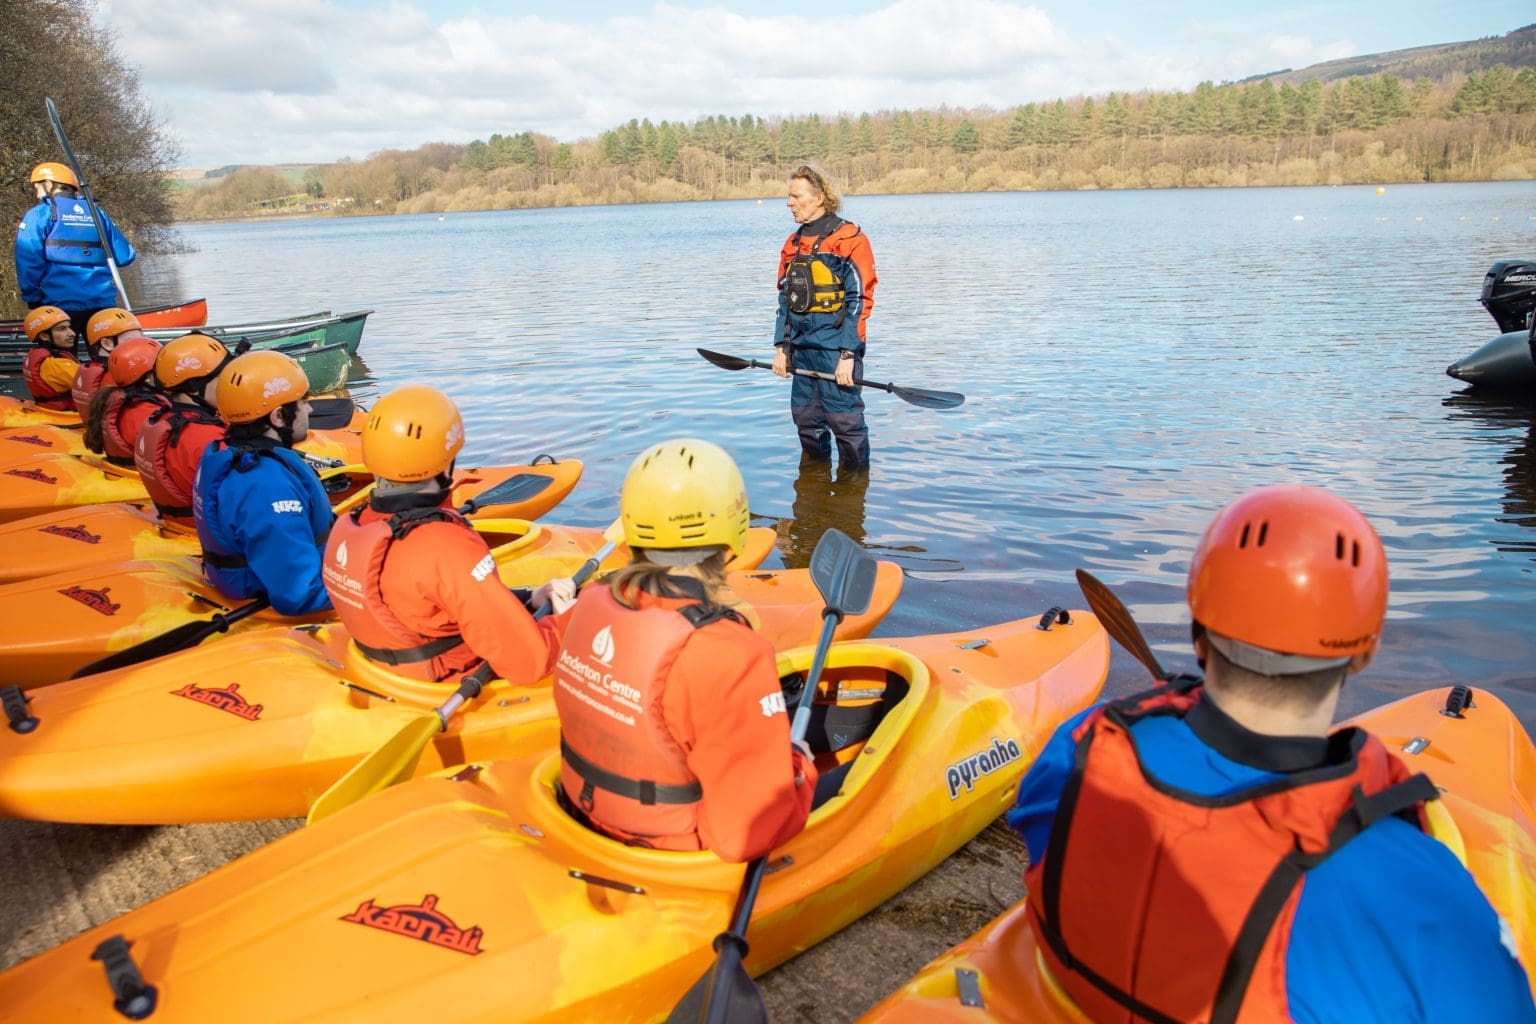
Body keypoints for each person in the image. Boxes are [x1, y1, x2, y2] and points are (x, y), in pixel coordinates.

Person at [1007, 484, 1536, 1022]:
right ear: (1364, 654)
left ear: (1197, 635)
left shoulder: (1080, 750)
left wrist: (1168, 712)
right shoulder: (1424, 896)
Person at [552, 438, 818, 861]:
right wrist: (800, 764)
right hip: (672, 849)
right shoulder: (730, 651)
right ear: (735, 527)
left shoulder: (589, 600)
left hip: (581, 810)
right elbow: (742, 836)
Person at [321, 384, 570, 683]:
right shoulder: (445, 546)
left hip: (388, 670)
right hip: (442, 679)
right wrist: (570, 620)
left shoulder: (352, 522)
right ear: (446, 461)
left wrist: (530, 597)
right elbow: (530, 662)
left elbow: (436, 606)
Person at [194, 351, 333, 616]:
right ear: (278, 417)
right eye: (303, 402)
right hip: (287, 600)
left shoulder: (225, 452)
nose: (310, 409)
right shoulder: (265, 486)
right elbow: (299, 594)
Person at [771, 163, 877, 470]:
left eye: (796, 196)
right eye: (788, 197)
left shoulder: (850, 239)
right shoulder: (792, 244)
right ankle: (812, 502)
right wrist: (781, 348)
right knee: (806, 421)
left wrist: (848, 354)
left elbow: (860, 301)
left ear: (819, 197)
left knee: (845, 423)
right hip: (802, 350)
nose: (789, 203)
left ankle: (852, 495)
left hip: (835, 350)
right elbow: (785, 300)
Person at [15, 162, 137, 336]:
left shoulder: (40, 214)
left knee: (62, 359)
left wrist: (32, 299)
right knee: (102, 359)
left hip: (59, 306)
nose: (36, 193)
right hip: (103, 303)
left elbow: (27, 261)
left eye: (37, 187)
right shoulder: (97, 213)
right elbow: (125, 256)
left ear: (49, 184)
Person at [133, 333, 231, 524]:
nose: (229, 385)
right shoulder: (211, 441)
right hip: (202, 535)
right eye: (222, 378)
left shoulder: (158, 418)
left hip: (175, 522)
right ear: (194, 387)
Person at [83, 334, 165, 466]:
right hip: (135, 477)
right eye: (161, 369)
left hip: (120, 467)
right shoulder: (147, 413)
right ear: (146, 378)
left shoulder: (114, 400)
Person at [70, 307, 144, 417]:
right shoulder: (117, 377)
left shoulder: (88, 369)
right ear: (106, 344)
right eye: (131, 341)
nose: (139, 347)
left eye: (140, 340)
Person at [20, 305, 79, 410]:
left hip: (48, 409)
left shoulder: (36, 355)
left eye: (69, 327)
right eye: (62, 329)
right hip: (67, 415)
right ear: (44, 336)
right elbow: (94, 389)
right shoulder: (56, 365)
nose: (72, 333)